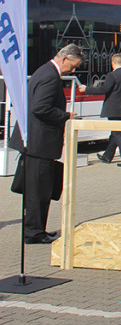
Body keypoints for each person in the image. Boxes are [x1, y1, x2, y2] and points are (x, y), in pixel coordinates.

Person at [20, 44, 82, 244]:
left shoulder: (44, 71)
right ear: (65, 59)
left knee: (41, 189)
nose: (72, 71)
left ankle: (38, 229)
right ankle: (33, 232)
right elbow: (41, 108)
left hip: (38, 142)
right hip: (40, 143)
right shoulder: (49, 76)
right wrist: (65, 116)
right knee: (38, 191)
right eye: (72, 66)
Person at [80, 54, 121, 166]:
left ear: (113, 62)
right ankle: (108, 156)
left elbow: (104, 89)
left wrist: (87, 89)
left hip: (114, 109)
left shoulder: (112, 75)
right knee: (115, 132)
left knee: (117, 133)